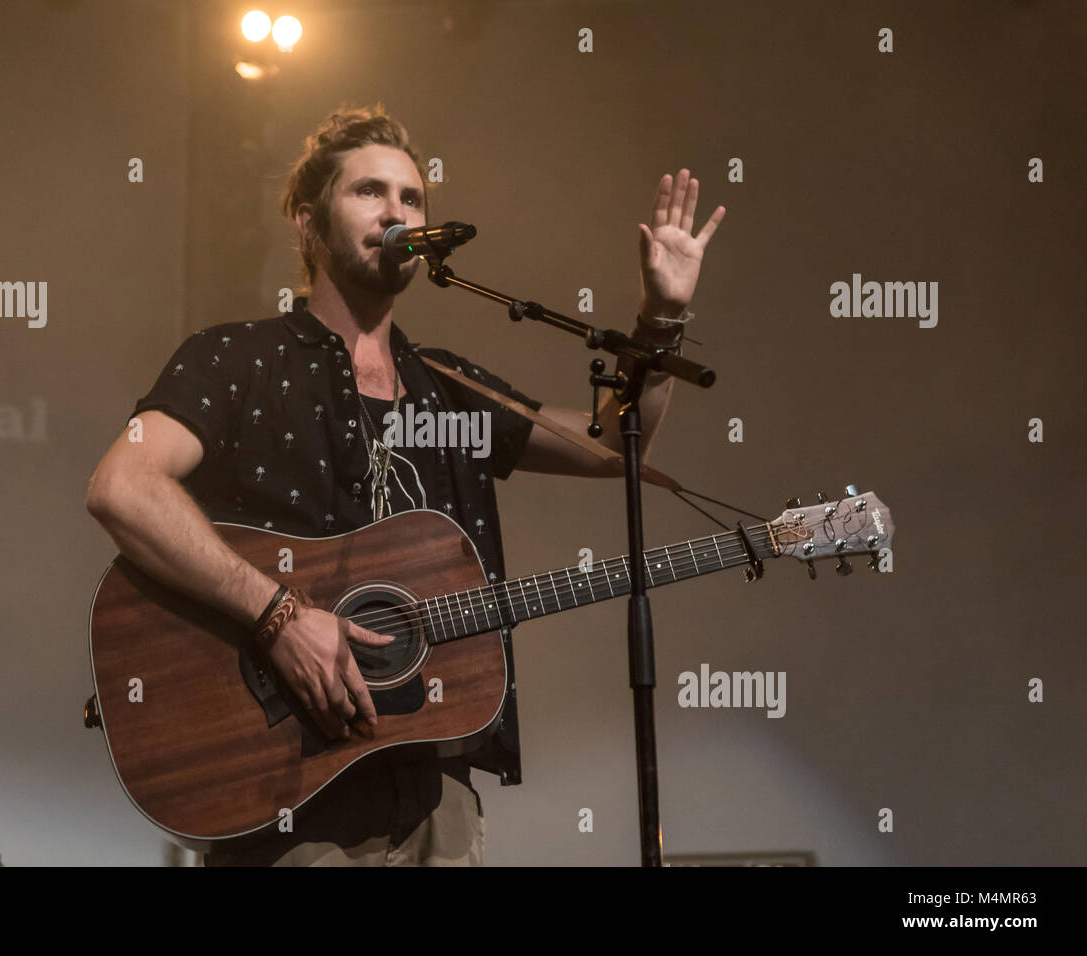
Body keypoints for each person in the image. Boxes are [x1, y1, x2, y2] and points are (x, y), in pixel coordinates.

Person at [84, 104, 725, 866]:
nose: (397, 211)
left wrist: (663, 315)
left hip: (433, 783)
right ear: (307, 222)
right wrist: (280, 616)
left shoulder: (445, 388)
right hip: (283, 781)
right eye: (370, 192)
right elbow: (123, 485)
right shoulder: (238, 362)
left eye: (413, 198)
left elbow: (612, 443)